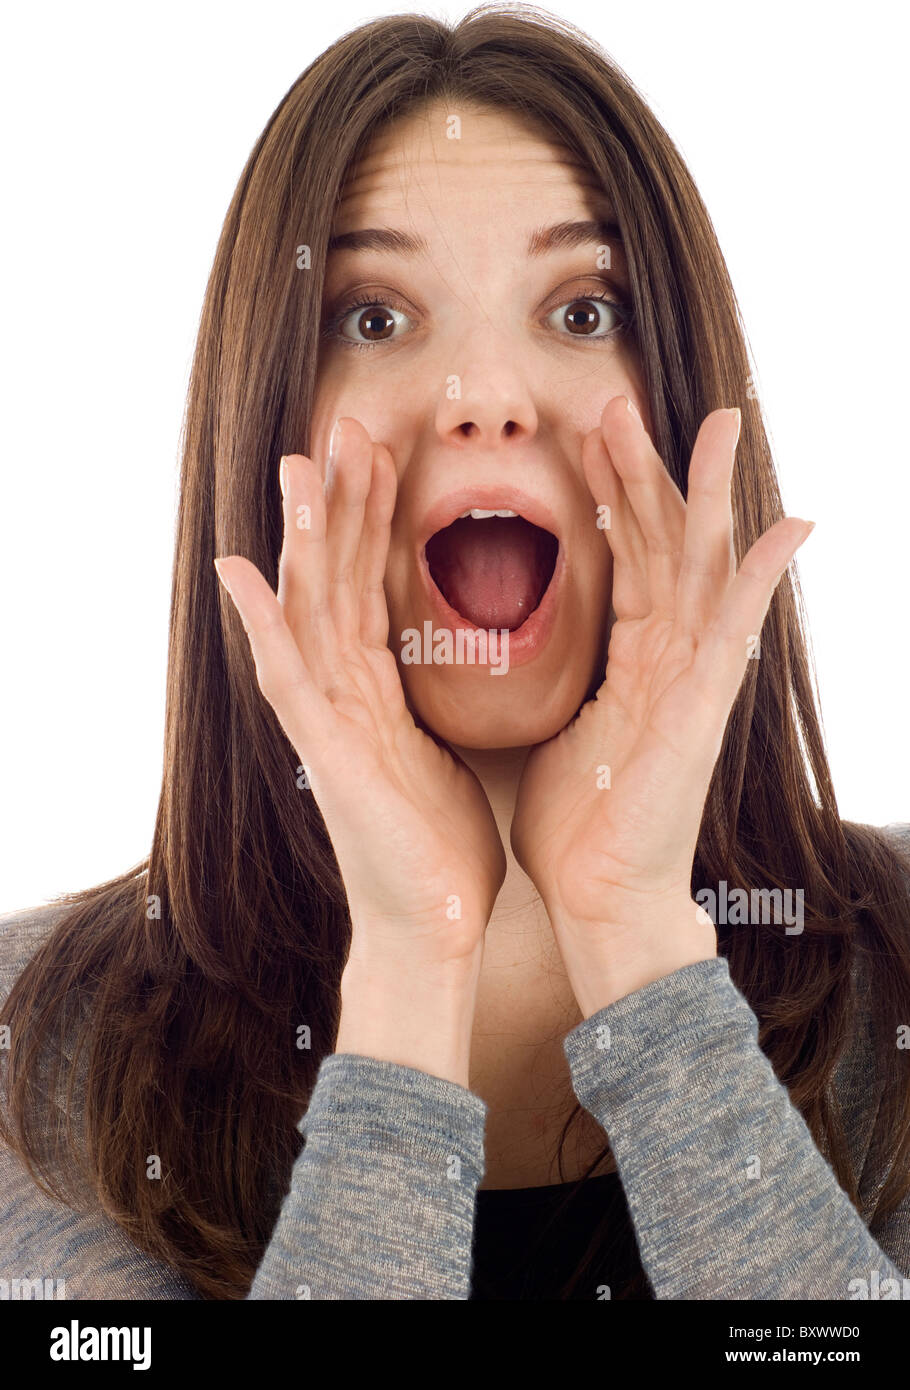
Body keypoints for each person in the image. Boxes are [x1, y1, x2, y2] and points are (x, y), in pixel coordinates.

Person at [2, 6, 909, 1302]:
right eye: (372, 318)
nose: (487, 390)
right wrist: (411, 967)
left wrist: (638, 943)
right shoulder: (27, 1053)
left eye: (583, 307)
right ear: (267, 427)